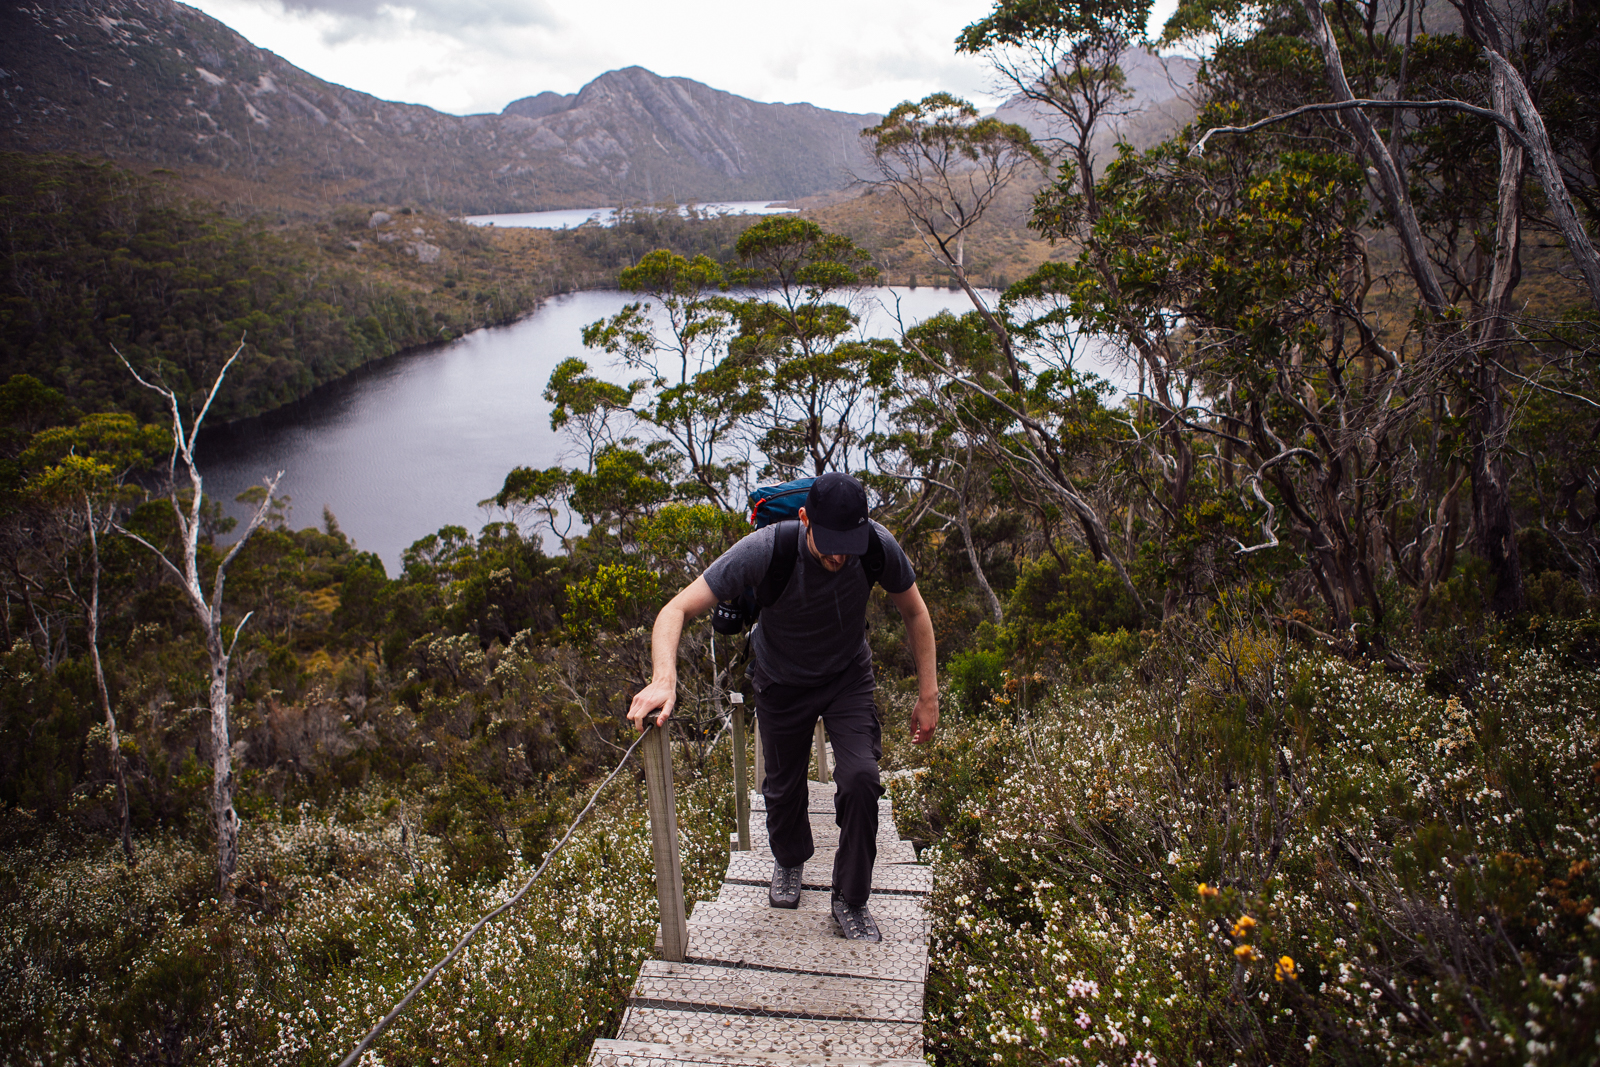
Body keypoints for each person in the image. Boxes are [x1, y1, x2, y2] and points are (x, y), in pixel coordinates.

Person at [627, 472, 938, 942]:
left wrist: (928, 696)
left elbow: (915, 612)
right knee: (782, 788)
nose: (839, 555)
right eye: (830, 542)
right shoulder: (766, 549)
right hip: (781, 680)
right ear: (804, 518)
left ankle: (850, 900)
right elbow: (675, 610)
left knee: (860, 779)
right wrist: (663, 679)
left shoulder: (876, 545)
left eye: (848, 543)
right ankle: (790, 859)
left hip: (846, 678)